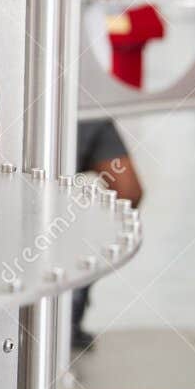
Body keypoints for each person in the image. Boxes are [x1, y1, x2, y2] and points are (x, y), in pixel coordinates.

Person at [69, 117, 143, 350]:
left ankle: (77, 292)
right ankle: (59, 312)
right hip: (49, 105)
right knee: (41, 206)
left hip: (92, 110)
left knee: (129, 192)